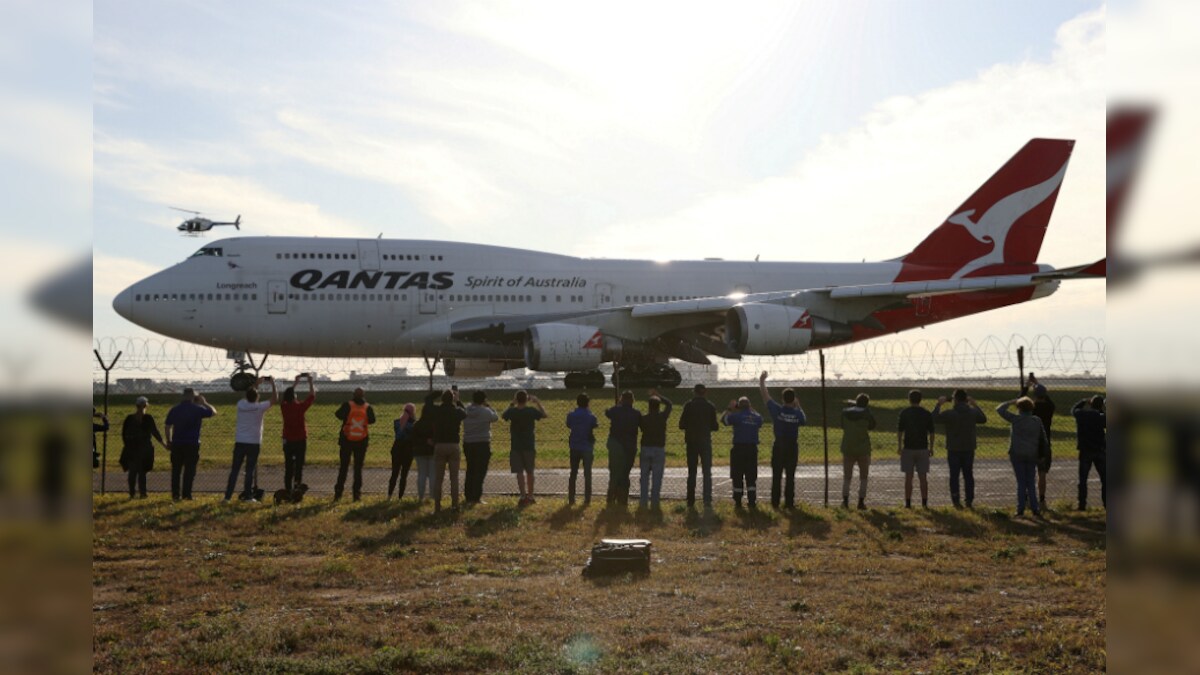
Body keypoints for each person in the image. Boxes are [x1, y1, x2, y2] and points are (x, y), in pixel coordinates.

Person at [225, 377, 277, 502]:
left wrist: (255, 384)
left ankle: (227, 497)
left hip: (240, 441)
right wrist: (273, 384)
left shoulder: (241, 404)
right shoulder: (259, 407)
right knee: (249, 471)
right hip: (253, 443)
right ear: (257, 397)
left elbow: (251, 394)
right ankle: (248, 496)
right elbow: (274, 399)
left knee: (235, 470)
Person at [759, 372, 806, 510]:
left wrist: (762, 381)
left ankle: (775, 503)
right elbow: (804, 420)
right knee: (790, 476)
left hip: (779, 445)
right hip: (792, 445)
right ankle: (789, 503)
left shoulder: (778, 410)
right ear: (794, 399)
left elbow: (765, 396)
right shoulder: (797, 413)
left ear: (783, 399)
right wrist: (798, 407)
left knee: (776, 475)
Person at [933, 389, 987, 509]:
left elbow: (934, 418)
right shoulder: (972, 412)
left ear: (955, 400)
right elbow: (983, 419)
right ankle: (969, 500)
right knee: (968, 475)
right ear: (966, 399)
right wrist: (974, 404)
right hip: (969, 448)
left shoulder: (949, 413)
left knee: (954, 475)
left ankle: (956, 499)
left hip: (954, 448)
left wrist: (939, 404)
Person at [997, 396, 1050, 518]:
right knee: (1031, 481)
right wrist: (1042, 454)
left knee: (1021, 482)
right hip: (1032, 453)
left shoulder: (1015, 419)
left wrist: (1011, 401)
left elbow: (999, 409)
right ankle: (1035, 508)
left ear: (1019, 408)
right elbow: (1044, 439)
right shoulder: (1036, 420)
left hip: (1017, 453)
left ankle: (1020, 508)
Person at [163, 387, 217, 501]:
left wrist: (169, 440)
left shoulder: (175, 409)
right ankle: (187, 494)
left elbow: (168, 426)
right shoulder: (198, 409)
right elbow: (213, 412)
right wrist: (204, 402)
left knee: (176, 470)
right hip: (192, 443)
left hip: (177, 443)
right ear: (193, 397)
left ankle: (175, 494)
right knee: (189, 470)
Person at [678, 383, 720, 509]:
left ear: (694, 392)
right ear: (705, 392)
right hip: (705, 441)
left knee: (692, 472)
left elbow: (681, 424)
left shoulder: (688, 405)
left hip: (691, 441)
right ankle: (707, 499)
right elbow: (715, 426)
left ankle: (690, 500)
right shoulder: (710, 406)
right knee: (707, 472)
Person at [502, 390, 546, 506]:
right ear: (527, 400)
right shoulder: (531, 411)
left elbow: (503, 415)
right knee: (530, 472)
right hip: (529, 445)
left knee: (519, 472)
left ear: (517, 399)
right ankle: (531, 496)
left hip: (516, 445)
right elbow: (544, 415)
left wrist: (512, 403)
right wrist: (537, 402)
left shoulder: (513, 411)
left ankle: (522, 496)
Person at [120, 396, 167, 499]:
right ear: (146, 406)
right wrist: (164, 444)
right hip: (144, 448)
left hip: (132, 448)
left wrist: (127, 445)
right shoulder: (148, 418)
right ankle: (142, 493)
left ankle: (132, 493)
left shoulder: (129, 418)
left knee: (133, 471)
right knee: (142, 472)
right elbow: (155, 432)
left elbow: (123, 434)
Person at [333, 387, 375, 502]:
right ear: (363, 395)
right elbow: (372, 420)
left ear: (353, 395)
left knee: (343, 468)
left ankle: (338, 494)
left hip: (346, 440)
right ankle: (356, 495)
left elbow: (338, 414)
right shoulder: (367, 407)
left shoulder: (347, 405)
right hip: (361, 441)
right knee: (358, 469)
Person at [429, 389, 467, 513]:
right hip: (453, 445)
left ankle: (437, 507)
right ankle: (455, 505)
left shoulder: (436, 411)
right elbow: (465, 413)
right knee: (454, 478)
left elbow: (428, 404)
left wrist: (436, 394)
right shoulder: (457, 411)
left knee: (438, 479)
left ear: (442, 399)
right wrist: (458, 401)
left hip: (439, 445)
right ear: (452, 399)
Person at [722, 396, 764, 509]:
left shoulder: (736, 416)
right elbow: (761, 420)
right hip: (752, 449)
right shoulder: (756, 417)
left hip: (738, 449)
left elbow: (724, 421)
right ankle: (751, 500)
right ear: (749, 405)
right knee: (751, 476)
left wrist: (730, 408)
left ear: (739, 406)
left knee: (737, 475)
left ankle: (738, 501)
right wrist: (751, 409)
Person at [1023, 374, 1057, 509]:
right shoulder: (1049, 407)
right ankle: (1042, 500)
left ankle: (1026, 499)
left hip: (1030, 443)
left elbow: (1021, 400)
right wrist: (1037, 384)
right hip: (1044, 443)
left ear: (1035, 396)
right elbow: (1048, 400)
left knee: (1027, 474)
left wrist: (1027, 386)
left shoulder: (1030, 409)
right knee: (1042, 473)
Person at [897, 390, 935, 509]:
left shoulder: (904, 413)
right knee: (923, 477)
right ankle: (924, 503)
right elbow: (932, 432)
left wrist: (899, 446)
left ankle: (908, 503)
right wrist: (931, 447)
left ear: (909, 399)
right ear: (920, 399)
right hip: (922, 448)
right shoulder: (926, 413)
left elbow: (900, 431)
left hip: (908, 448)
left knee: (908, 477)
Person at [279, 374, 316, 494]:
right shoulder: (300, 407)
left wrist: (296, 382)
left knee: (289, 467)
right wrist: (310, 382)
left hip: (288, 440)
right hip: (300, 439)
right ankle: (297, 487)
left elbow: (287, 396)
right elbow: (312, 396)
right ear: (295, 396)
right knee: (299, 467)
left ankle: (287, 489)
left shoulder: (284, 407)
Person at [638, 390, 674, 511]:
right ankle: (655, 502)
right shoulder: (662, 417)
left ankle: (643, 502)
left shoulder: (643, 418)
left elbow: (641, 428)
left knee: (644, 478)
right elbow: (669, 404)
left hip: (646, 447)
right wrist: (659, 395)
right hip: (658, 448)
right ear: (659, 407)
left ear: (649, 406)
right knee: (657, 478)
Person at [605, 391, 642, 507]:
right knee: (625, 474)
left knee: (614, 472)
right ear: (632, 401)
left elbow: (607, 412)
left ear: (622, 399)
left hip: (616, 445)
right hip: (630, 446)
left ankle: (611, 497)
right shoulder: (636, 414)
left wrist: (618, 404)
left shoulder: (615, 411)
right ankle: (623, 500)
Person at [462, 390, 499, 506]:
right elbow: (496, 418)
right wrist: (489, 406)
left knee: (470, 469)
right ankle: (476, 497)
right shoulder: (486, 411)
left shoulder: (466, 410)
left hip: (468, 442)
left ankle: (468, 496)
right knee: (480, 471)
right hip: (482, 443)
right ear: (483, 400)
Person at [840, 393, 876, 509]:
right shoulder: (867, 414)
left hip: (848, 447)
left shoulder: (845, 413)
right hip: (863, 447)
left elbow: (843, 426)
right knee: (864, 477)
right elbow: (872, 426)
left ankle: (845, 501)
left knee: (847, 476)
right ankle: (861, 501)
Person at [1072, 395, 1107, 510]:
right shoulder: (1101, 417)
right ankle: (1106, 503)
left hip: (1085, 450)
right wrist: (1102, 409)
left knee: (1083, 479)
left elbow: (1074, 410)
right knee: (1105, 479)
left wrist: (1083, 401)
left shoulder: (1082, 415)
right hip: (1099, 450)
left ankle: (1082, 504)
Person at [565, 393, 599, 506]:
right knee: (587, 473)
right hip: (587, 447)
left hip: (574, 445)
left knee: (573, 472)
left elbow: (568, 424)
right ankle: (587, 498)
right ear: (587, 404)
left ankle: (571, 498)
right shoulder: (591, 416)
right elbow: (595, 424)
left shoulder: (571, 415)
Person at [410, 395, 438, 501]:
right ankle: (432, 496)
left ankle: (420, 496)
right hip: (432, 450)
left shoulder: (417, 424)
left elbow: (413, 439)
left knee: (421, 474)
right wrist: (432, 441)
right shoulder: (434, 424)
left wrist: (423, 441)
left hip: (419, 451)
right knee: (432, 475)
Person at [388, 403, 417, 499]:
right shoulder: (414, 424)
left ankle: (389, 495)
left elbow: (399, 434)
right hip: (408, 451)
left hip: (397, 449)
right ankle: (400, 496)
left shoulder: (396, 422)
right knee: (404, 475)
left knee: (394, 473)